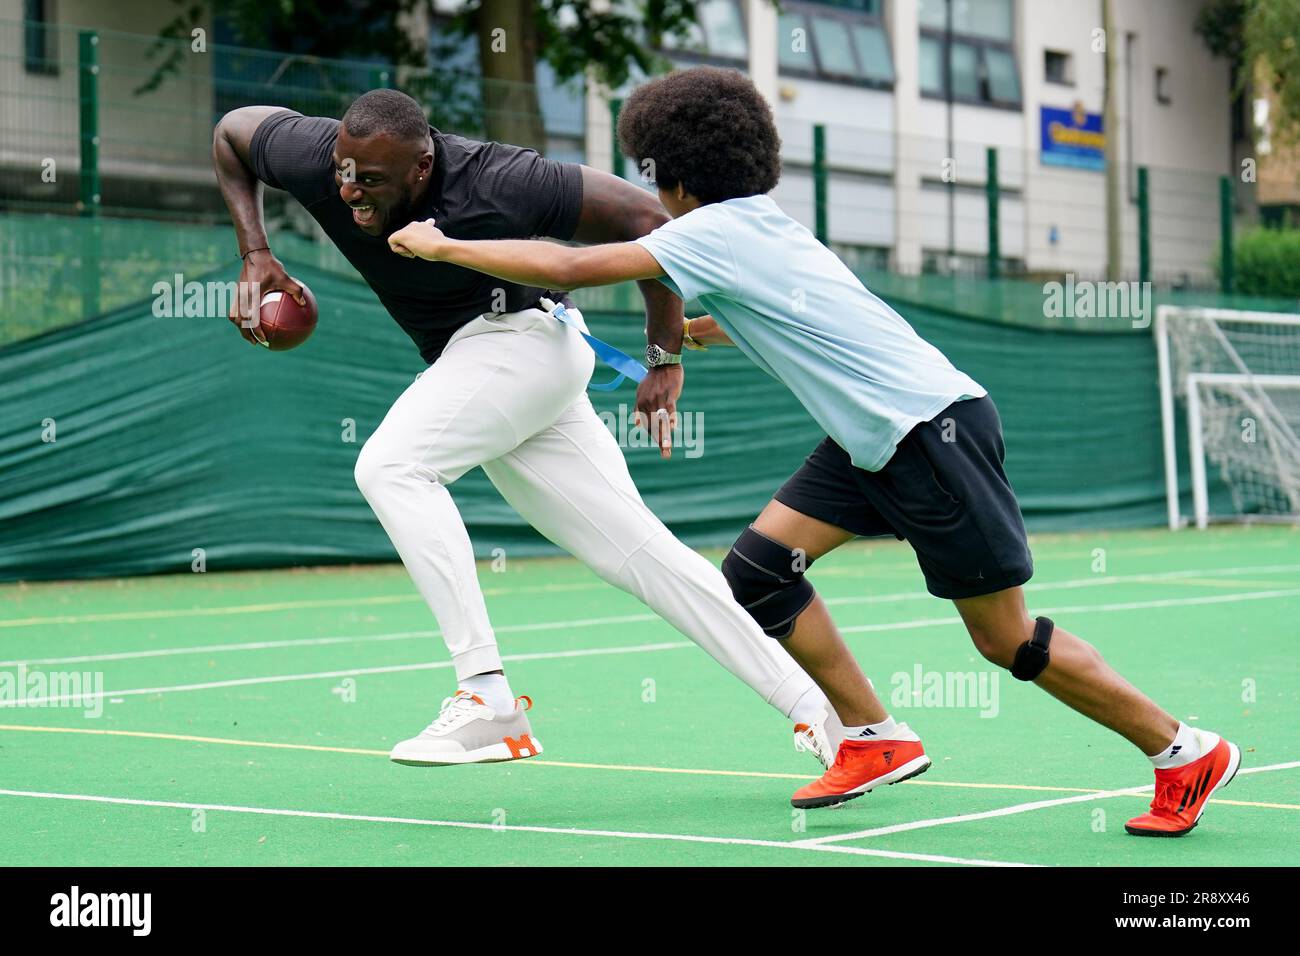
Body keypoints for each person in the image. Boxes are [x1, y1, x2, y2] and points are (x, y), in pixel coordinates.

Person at [386, 66, 1241, 836]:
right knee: (757, 571)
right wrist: (690, 338)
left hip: (927, 433)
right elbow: (789, 314)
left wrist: (445, 245)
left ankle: (1183, 750)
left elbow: (571, 267)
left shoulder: (708, 232)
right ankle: (873, 736)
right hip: (875, 439)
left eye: (651, 174)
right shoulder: (757, 223)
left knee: (1008, 643)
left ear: (675, 177)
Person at [213, 89, 839, 770]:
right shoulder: (319, 155)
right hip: (492, 366)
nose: (351, 192)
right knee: (638, 553)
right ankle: (825, 712)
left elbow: (645, 219)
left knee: (391, 467)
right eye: (344, 173)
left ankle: (487, 700)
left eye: (372, 181)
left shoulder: (498, 178)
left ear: (422, 168)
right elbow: (232, 133)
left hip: (524, 340)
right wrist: (256, 252)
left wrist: (665, 353)